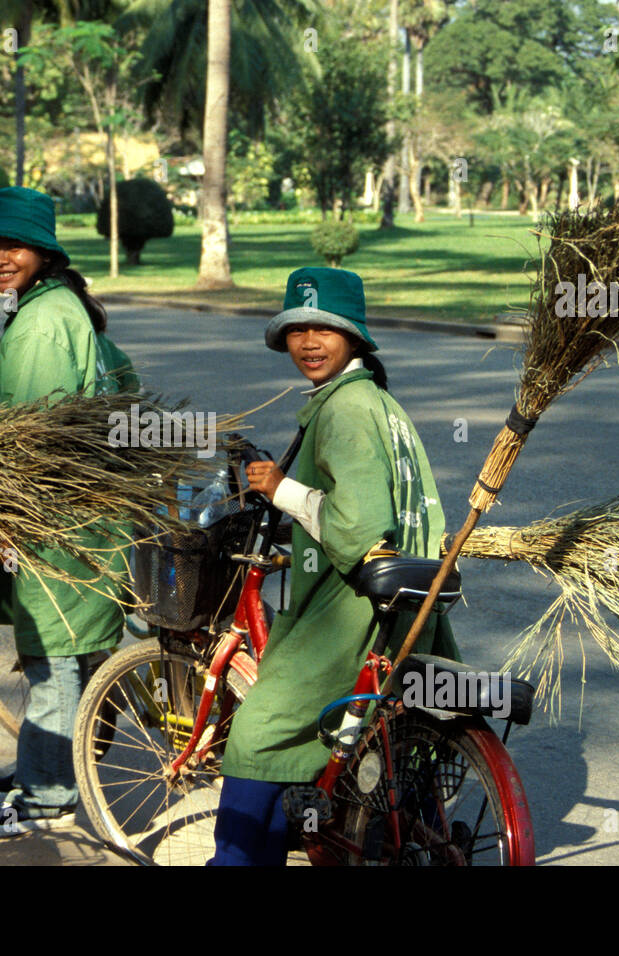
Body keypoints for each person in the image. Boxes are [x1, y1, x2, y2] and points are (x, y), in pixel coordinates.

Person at [210, 267, 459, 866]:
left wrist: (281, 490)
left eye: (326, 328)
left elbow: (355, 526)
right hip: (411, 599)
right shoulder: (377, 401)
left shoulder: (345, 409)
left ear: (355, 338)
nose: (309, 342)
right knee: (392, 744)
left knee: (260, 731)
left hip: (352, 610)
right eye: (297, 330)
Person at [0, 186, 136, 836]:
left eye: (13, 245)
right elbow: (127, 387)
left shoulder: (40, 321)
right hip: (89, 516)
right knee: (62, 656)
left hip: (55, 520)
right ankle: (40, 766)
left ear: (44, 252)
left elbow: (24, 440)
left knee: (54, 663)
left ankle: (49, 795)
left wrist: (4, 514)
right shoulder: (61, 306)